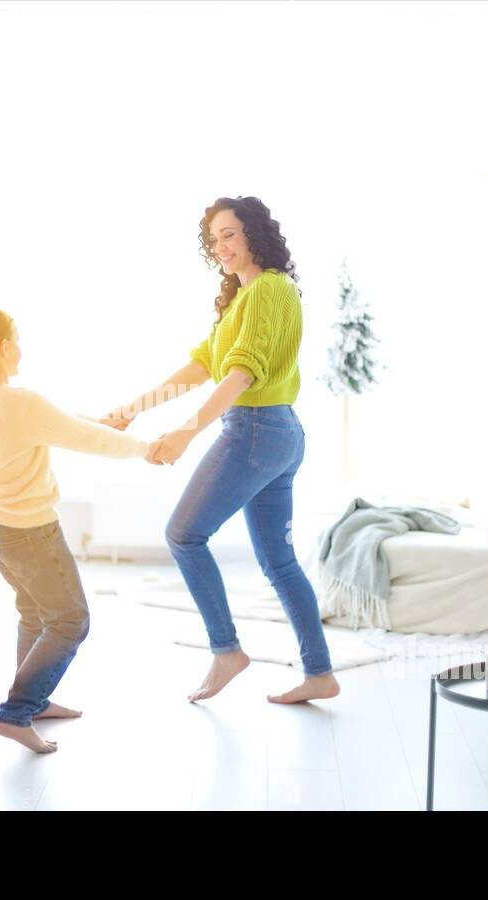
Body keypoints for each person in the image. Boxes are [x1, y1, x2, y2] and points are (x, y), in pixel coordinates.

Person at [101, 196, 340, 704]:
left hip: (256, 431)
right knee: (278, 561)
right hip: (276, 434)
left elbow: (241, 372)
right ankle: (320, 673)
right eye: (215, 240)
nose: (222, 247)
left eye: (230, 234)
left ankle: (226, 650)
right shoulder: (242, 297)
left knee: (184, 535)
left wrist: (186, 432)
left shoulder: (269, 290)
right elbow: (204, 364)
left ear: (254, 233)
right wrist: (135, 407)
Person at [0, 307, 161, 753]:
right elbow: (81, 437)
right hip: (30, 532)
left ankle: (34, 702)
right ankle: (16, 713)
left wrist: (98, 420)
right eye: (16, 338)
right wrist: (146, 449)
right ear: (3, 347)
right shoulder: (20, 402)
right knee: (71, 620)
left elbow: (60, 425)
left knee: (35, 615)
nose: (20, 348)